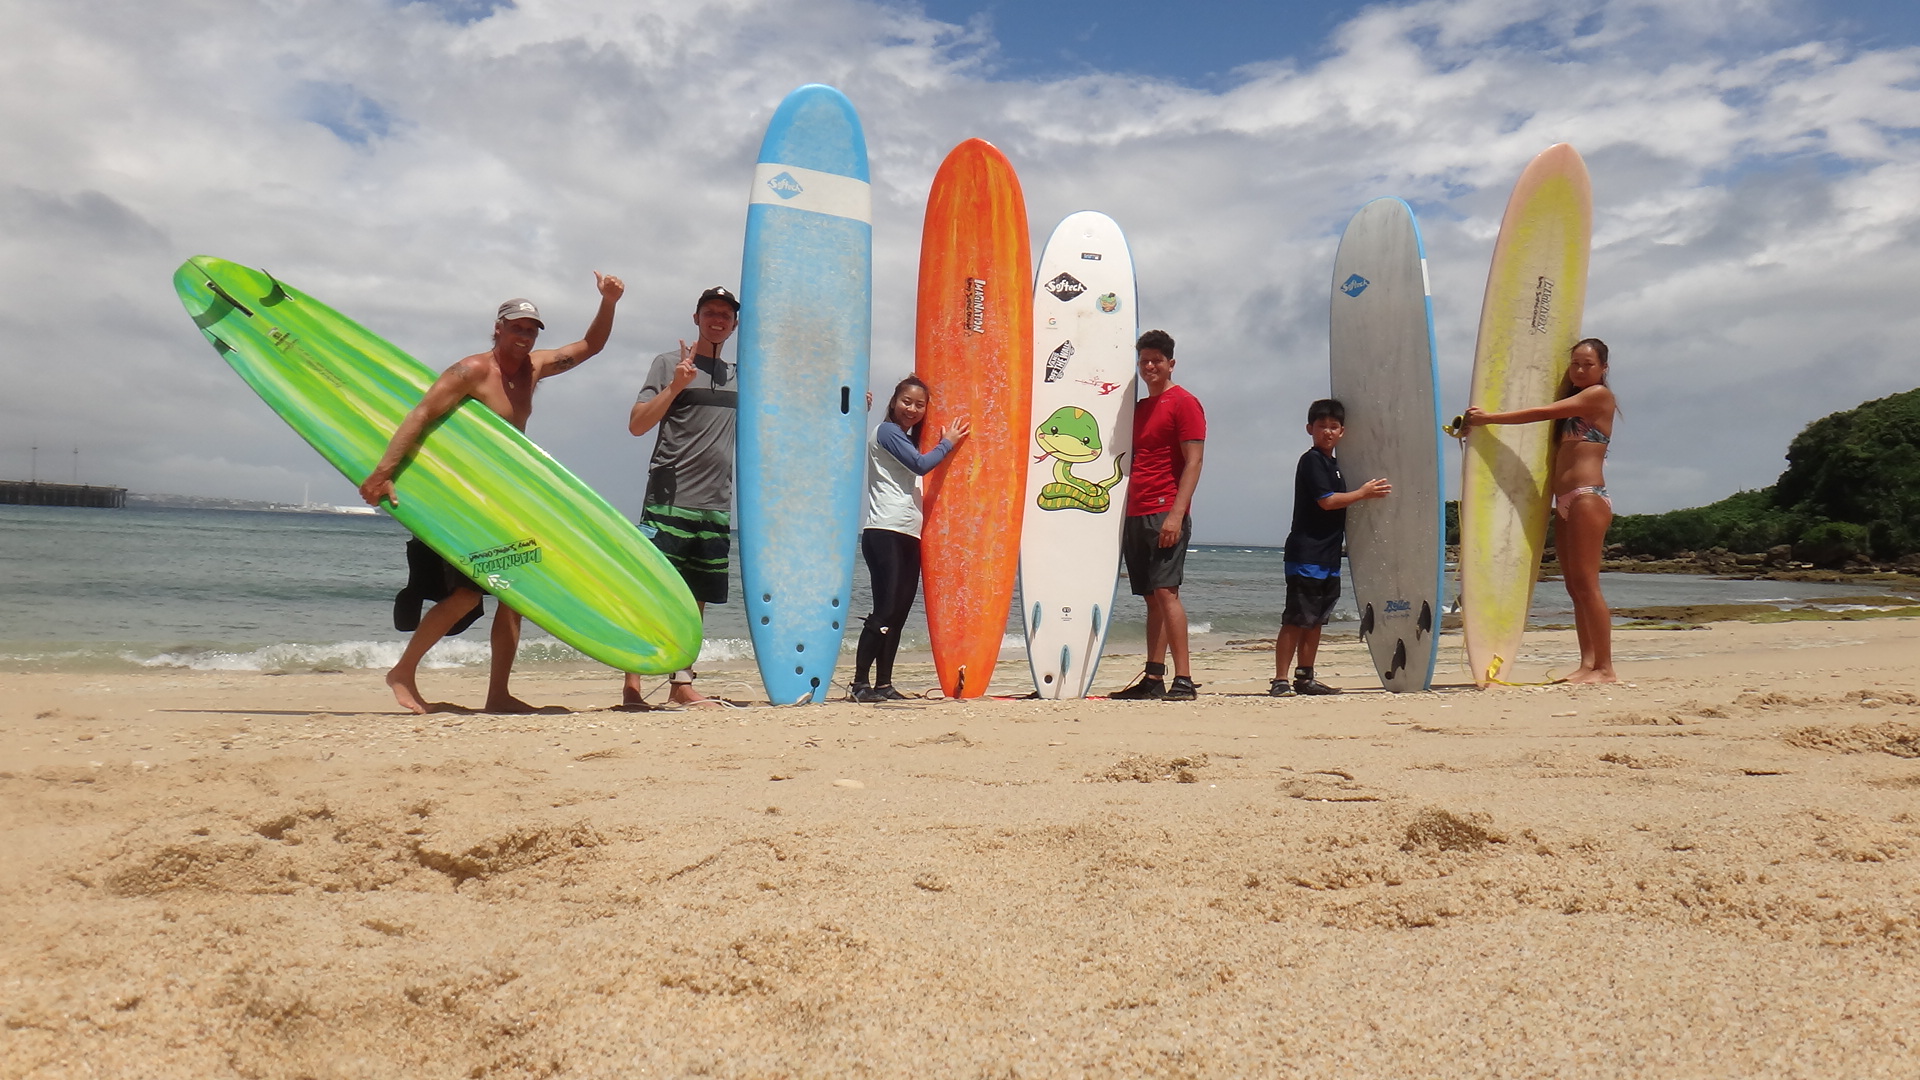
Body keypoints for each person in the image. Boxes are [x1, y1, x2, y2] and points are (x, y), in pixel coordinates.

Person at [360, 274, 626, 714]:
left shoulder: (534, 369)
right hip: (463, 497)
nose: (524, 336)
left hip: (506, 499)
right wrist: (384, 471)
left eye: (531, 330)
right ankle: (402, 672)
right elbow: (422, 414)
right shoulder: (472, 371)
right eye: (517, 327)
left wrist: (609, 302)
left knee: (513, 596)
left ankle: (498, 694)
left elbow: (589, 346)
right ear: (498, 328)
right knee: (465, 594)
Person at [1465, 337, 1617, 683]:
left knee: (1588, 585)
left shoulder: (1598, 396)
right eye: (1575, 363)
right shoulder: (1573, 399)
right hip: (1563, 502)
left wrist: (1489, 418)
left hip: (1586, 497)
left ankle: (1606, 668)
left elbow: (1541, 413)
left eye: (1588, 364)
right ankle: (1587, 663)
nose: (1580, 370)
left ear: (1603, 369)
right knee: (1575, 587)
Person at [622, 286, 741, 708]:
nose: (717, 319)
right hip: (668, 501)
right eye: (710, 312)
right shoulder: (669, 363)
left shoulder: (738, 374)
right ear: (696, 318)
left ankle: (681, 685)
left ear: (734, 324)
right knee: (649, 593)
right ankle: (632, 685)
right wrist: (675, 387)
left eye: (725, 314)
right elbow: (637, 424)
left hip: (715, 505)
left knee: (696, 600)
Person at [850, 376, 969, 702]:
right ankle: (859, 684)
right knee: (885, 610)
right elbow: (920, 465)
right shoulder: (888, 432)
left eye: (919, 405)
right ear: (894, 401)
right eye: (907, 401)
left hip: (907, 533)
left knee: (898, 613)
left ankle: (884, 684)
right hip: (884, 531)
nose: (912, 409)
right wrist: (949, 441)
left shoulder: (904, 437)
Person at [1110, 330, 1205, 702]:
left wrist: (1176, 515)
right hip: (1135, 510)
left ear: (1170, 364)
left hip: (1165, 509)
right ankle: (1153, 678)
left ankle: (1184, 678)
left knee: (1167, 594)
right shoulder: (1138, 409)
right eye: (1144, 360)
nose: (1150, 366)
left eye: (1157, 361)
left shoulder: (1184, 402)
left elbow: (1194, 461)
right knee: (1152, 598)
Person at [1271, 399, 1390, 696]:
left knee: (1317, 619)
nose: (1327, 432)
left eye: (1333, 427)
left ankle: (1305, 677)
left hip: (1328, 554)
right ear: (1310, 429)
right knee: (1297, 618)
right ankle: (1280, 680)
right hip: (1306, 552)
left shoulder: (1337, 466)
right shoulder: (1311, 461)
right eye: (1321, 426)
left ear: (1342, 432)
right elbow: (1327, 501)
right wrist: (1363, 493)